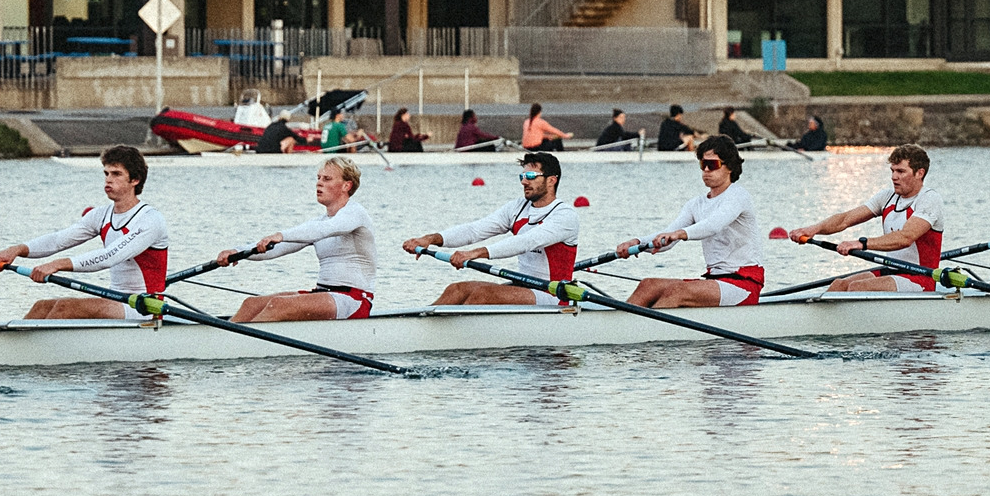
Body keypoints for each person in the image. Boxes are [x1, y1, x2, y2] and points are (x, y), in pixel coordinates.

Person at [0, 145, 169, 319]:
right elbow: (58, 240)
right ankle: (17, 341)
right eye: (106, 173)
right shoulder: (101, 215)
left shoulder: (150, 220)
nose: (108, 179)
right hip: (116, 300)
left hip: (145, 306)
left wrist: (57, 264)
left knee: (65, 307)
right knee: (41, 307)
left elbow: (110, 256)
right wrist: (16, 250)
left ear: (135, 180)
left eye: (116, 174)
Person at [401, 152, 578, 305]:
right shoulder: (518, 207)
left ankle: (455, 331)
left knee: (483, 295)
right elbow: (475, 230)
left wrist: (474, 253)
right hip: (523, 288)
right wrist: (430, 239)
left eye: (531, 176)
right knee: (456, 289)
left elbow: (526, 241)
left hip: (555, 295)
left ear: (551, 180)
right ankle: (420, 325)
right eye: (522, 176)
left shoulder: (564, 215)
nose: (524, 181)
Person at [215, 156, 376, 321]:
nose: (319, 183)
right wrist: (236, 252)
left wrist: (280, 235)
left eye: (327, 179)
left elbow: (325, 230)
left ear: (346, 186)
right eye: (318, 178)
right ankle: (225, 336)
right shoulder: (318, 223)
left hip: (354, 299)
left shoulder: (355, 213)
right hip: (322, 294)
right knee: (251, 304)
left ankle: (240, 337)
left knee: (278, 305)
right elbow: (277, 248)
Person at [613, 135, 764, 307]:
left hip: (744, 284)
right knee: (648, 285)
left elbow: (713, 225)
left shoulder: (738, 196)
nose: (706, 170)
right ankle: (622, 322)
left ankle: (647, 323)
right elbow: (668, 238)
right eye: (703, 164)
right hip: (714, 281)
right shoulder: (695, 204)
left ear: (729, 167)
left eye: (712, 165)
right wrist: (636, 242)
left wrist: (680, 234)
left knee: (677, 291)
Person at [789, 145, 943, 292]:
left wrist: (862, 243)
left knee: (858, 287)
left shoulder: (929, 199)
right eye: (892, 171)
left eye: (901, 171)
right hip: (892, 271)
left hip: (922, 278)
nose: (894, 177)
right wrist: (813, 229)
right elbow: (845, 219)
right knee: (839, 285)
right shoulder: (887, 197)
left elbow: (905, 237)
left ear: (919, 173)